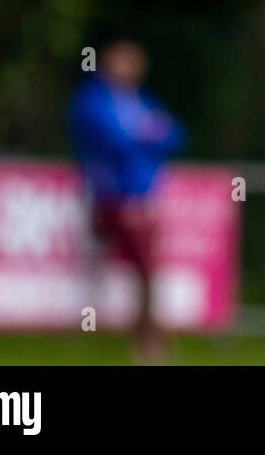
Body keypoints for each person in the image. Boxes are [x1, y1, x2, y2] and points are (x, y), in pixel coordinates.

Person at [68, 38, 187, 362]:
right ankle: (139, 337)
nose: (129, 68)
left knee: (146, 270)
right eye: (123, 61)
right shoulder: (93, 99)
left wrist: (143, 135)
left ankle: (148, 337)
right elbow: (114, 141)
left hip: (142, 197)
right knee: (129, 268)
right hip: (112, 198)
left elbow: (175, 135)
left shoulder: (142, 100)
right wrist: (147, 134)